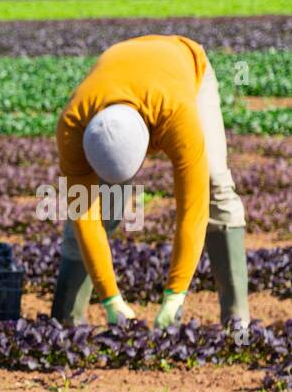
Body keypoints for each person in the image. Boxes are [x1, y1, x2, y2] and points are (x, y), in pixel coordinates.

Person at [50, 34, 248, 329]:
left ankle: (236, 318)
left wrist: (175, 294)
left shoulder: (177, 116)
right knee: (103, 205)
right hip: (120, 68)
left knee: (215, 185)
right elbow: (84, 215)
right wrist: (111, 300)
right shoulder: (72, 126)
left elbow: (193, 210)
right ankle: (66, 320)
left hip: (185, 67)